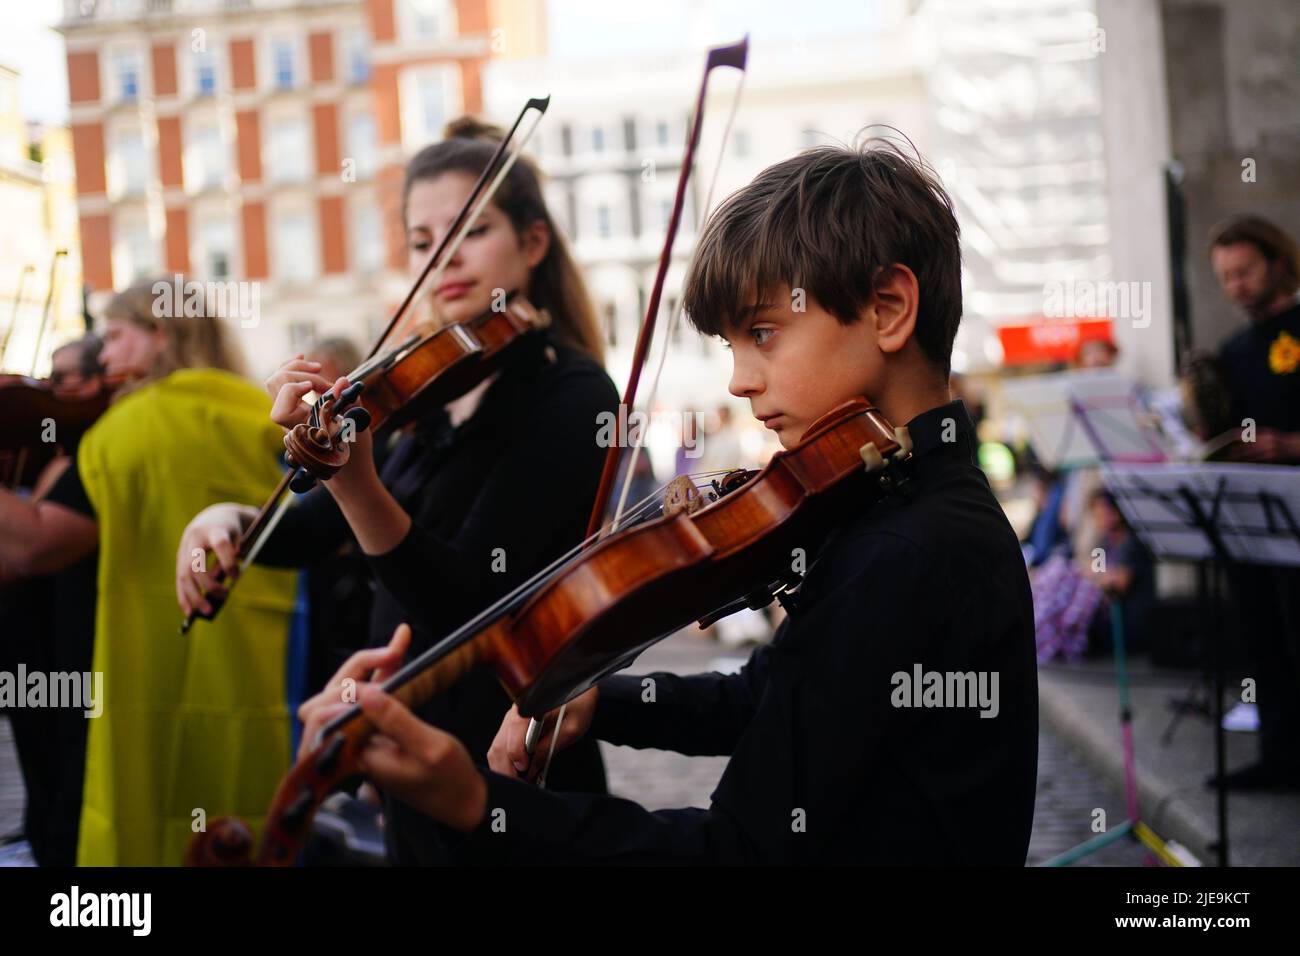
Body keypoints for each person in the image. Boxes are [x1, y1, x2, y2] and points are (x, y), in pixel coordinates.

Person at [298, 138, 1040, 864]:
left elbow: (739, 850)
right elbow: (774, 698)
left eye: (763, 333)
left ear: (887, 309)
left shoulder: (907, 549)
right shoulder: (899, 505)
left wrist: (477, 805)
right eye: (731, 346)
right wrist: (601, 701)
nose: (740, 380)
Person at [176, 117, 618, 864]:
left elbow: (473, 611)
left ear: (533, 243)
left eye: (471, 230)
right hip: (410, 768)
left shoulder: (573, 394)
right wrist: (222, 521)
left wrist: (360, 489)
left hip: (508, 780)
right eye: (422, 241)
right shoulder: (423, 395)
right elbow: (305, 529)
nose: (443, 256)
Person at [0, 279, 299, 865]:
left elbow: (35, 547)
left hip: (134, 670)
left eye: (115, 336)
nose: (103, 356)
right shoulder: (262, 417)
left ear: (162, 335)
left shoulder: (127, 428)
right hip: (260, 675)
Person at [0, 334, 104, 865]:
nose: (47, 393)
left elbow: (32, 549)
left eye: (61, 381)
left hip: (65, 652)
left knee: (64, 776)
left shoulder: (87, 456)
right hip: (37, 657)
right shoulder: (52, 454)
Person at [1204, 214, 1300, 789]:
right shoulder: (1235, 349)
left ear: (1277, 262)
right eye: (1225, 277)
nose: (1236, 285)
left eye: (1245, 271)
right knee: (1263, 640)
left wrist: (1287, 444)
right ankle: (1279, 756)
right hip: (1253, 520)